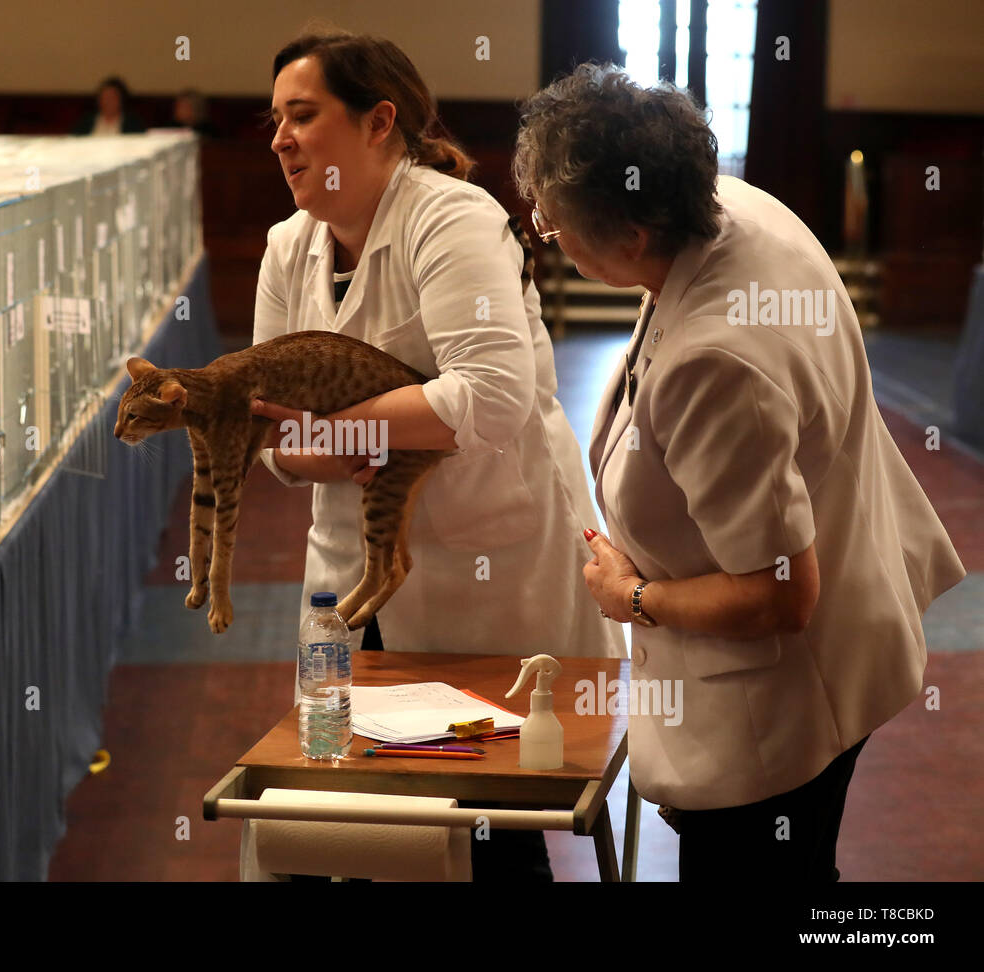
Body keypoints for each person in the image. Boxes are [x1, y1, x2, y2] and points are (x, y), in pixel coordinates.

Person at [510, 63, 966, 881]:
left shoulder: (716, 362)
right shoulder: (726, 203)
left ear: (632, 236)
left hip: (781, 703)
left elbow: (779, 593)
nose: (545, 231)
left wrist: (633, 599)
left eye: (552, 222)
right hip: (849, 627)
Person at [249, 31, 626, 882]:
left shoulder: (453, 219)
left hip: (483, 565)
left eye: (302, 116)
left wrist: (339, 428)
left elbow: (491, 396)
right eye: (274, 119)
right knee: (356, 820)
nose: (279, 139)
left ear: (379, 122)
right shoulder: (288, 247)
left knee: (483, 826)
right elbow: (269, 431)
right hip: (352, 575)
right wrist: (331, 439)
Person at [73, 76, 147, 135]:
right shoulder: (86, 121)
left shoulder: (132, 123)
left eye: (112, 97)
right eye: (104, 97)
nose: (108, 102)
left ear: (121, 99)